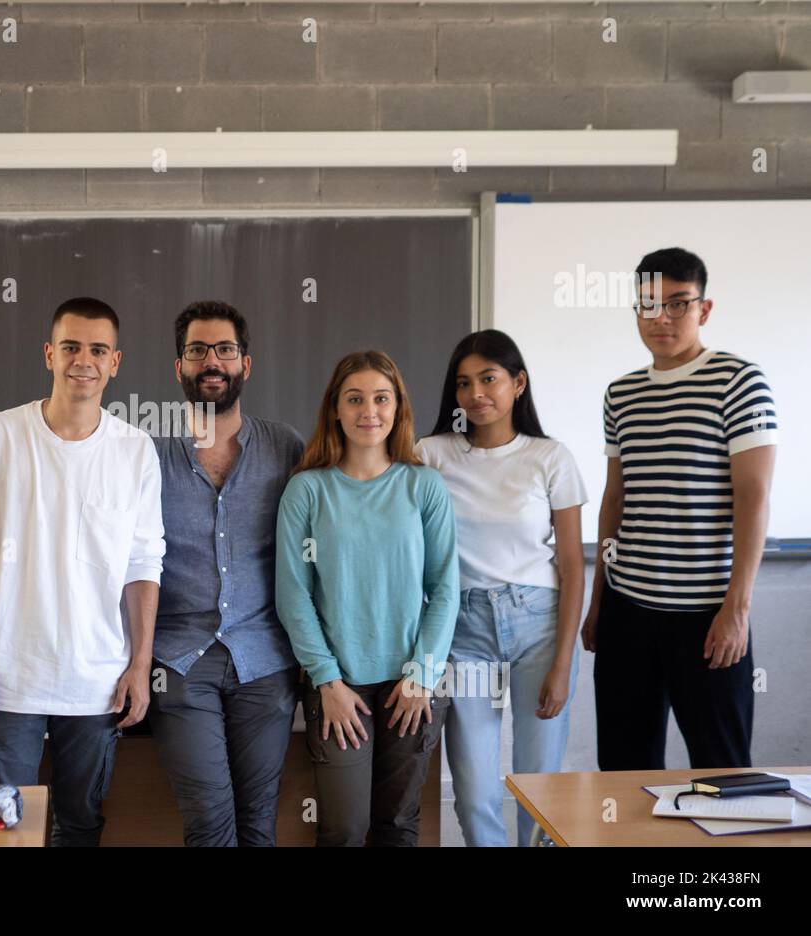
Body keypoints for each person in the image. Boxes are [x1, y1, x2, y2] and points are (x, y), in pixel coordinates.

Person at [0, 297, 165, 847]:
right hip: (7, 677)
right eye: (70, 347)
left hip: (96, 682)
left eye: (97, 349)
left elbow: (143, 563)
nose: (83, 360)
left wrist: (140, 665)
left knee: (80, 825)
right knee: (1, 829)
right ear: (50, 354)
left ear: (115, 362)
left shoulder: (135, 449)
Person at [586, 247, 777, 770]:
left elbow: (754, 497)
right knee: (624, 771)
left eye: (677, 304)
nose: (661, 318)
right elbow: (615, 499)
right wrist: (599, 601)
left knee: (722, 772)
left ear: (704, 309)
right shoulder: (620, 394)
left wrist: (736, 610)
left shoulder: (739, 381)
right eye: (648, 305)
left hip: (708, 617)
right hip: (628, 612)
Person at [275, 350, 459, 846]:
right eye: (354, 399)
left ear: (398, 407)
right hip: (339, 686)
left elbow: (445, 587)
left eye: (381, 398)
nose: (368, 411)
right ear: (335, 408)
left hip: (412, 685)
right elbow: (293, 594)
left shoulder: (424, 486)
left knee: (397, 826)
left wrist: (423, 673)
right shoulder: (307, 490)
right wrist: (327, 681)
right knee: (344, 829)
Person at [417, 329, 587, 847]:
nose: (476, 394)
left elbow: (574, 566)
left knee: (539, 785)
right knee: (472, 789)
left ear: (518, 383)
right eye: (464, 383)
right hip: (461, 626)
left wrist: (562, 663)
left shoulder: (550, 457)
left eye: (489, 379)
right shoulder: (431, 453)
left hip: (539, 620)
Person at [150, 300, 304, 847]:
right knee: (210, 822)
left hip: (265, 660)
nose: (211, 361)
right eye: (196, 350)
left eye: (224, 349)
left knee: (259, 821)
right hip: (179, 662)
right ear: (179, 367)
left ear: (246, 364)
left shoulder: (285, 447)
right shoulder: (148, 455)